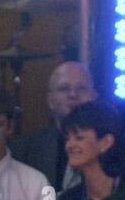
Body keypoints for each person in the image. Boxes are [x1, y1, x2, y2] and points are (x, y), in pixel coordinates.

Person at [11, 61, 97, 190]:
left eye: (81, 88)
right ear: (50, 100)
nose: (73, 95)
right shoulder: (23, 151)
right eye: (64, 89)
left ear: (93, 96)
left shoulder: (114, 146)